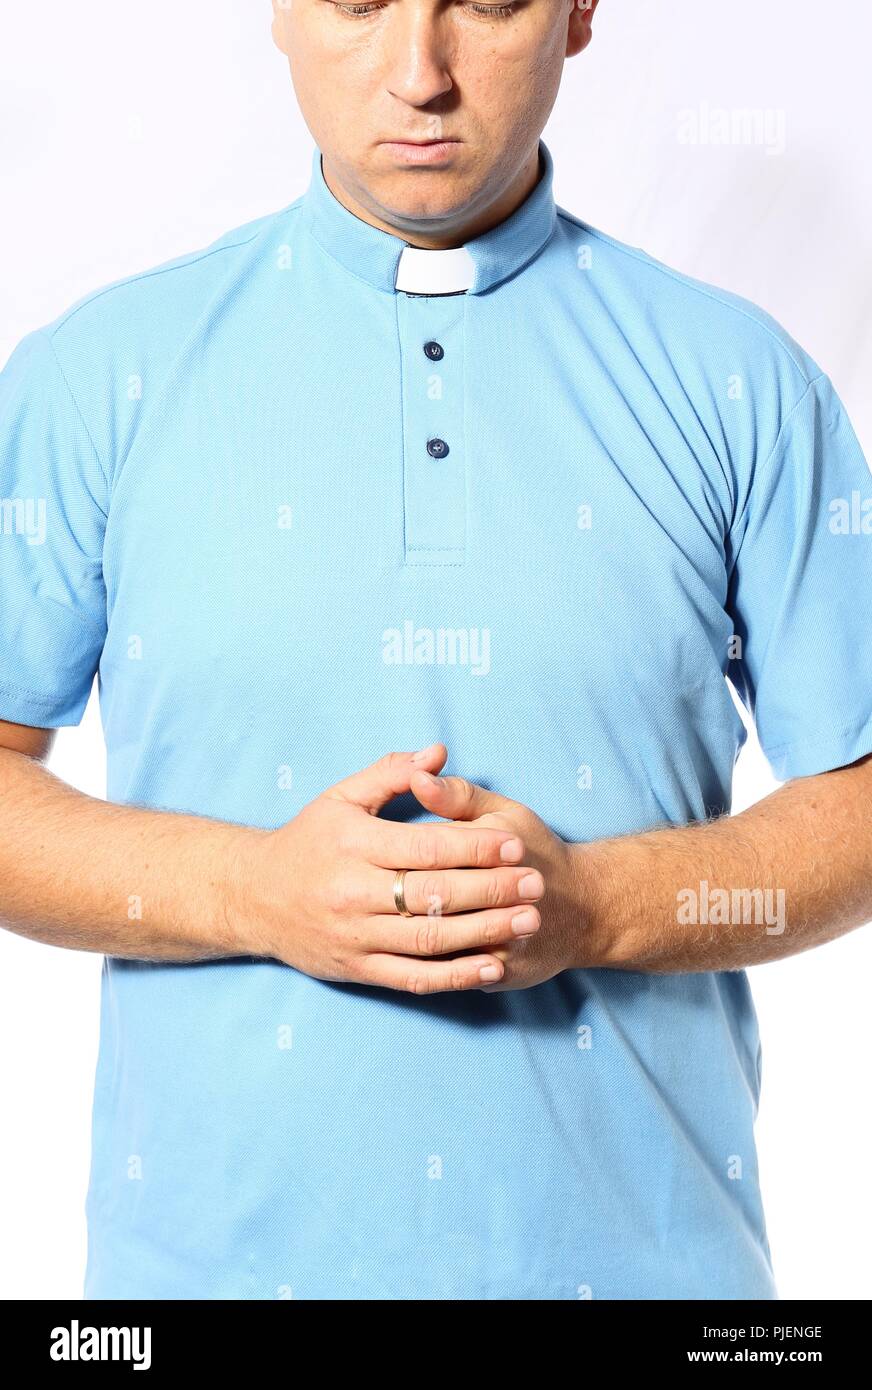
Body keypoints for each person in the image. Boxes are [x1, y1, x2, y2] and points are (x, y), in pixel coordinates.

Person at [1, 0, 870, 1300]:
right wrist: (254, 892)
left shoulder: (743, 383)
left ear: (580, 14)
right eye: (361, 2)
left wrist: (594, 906)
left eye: (490, 2)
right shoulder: (96, 379)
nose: (420, 73)